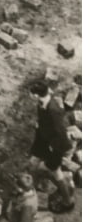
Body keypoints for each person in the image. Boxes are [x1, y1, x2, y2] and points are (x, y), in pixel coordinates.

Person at [28, 82, 76, 212]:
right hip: (44, 137)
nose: (30, 96)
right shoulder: (44, 101)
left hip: (54, 144)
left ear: (37, 95)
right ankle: (33, 179)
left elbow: (60, 132)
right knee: (36, 160)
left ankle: (68, 201)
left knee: (56, 171)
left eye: (32, 94)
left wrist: (55, 148)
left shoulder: (53, 109)